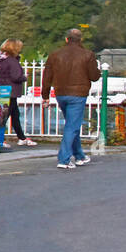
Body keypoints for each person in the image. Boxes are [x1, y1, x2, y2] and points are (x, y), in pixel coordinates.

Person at [40, 28, 100, 168]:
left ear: (66, 39)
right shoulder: (87, 54)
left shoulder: (55, 55)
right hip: (78, 94)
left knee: (71, 125)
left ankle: (79, 156)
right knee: (72, 127)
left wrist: (45, 96)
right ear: (81, 40)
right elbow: (94, 77)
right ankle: (64, 159)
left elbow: (47, 77)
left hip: (60, 93)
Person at [0, 38, 36, 147]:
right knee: (5, 116)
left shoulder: (1, 59)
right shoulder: (12, 61)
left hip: (3, 90)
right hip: (11, 91)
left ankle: (21, 137)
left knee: (15, 114)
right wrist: (24, 77)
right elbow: (15, 76)